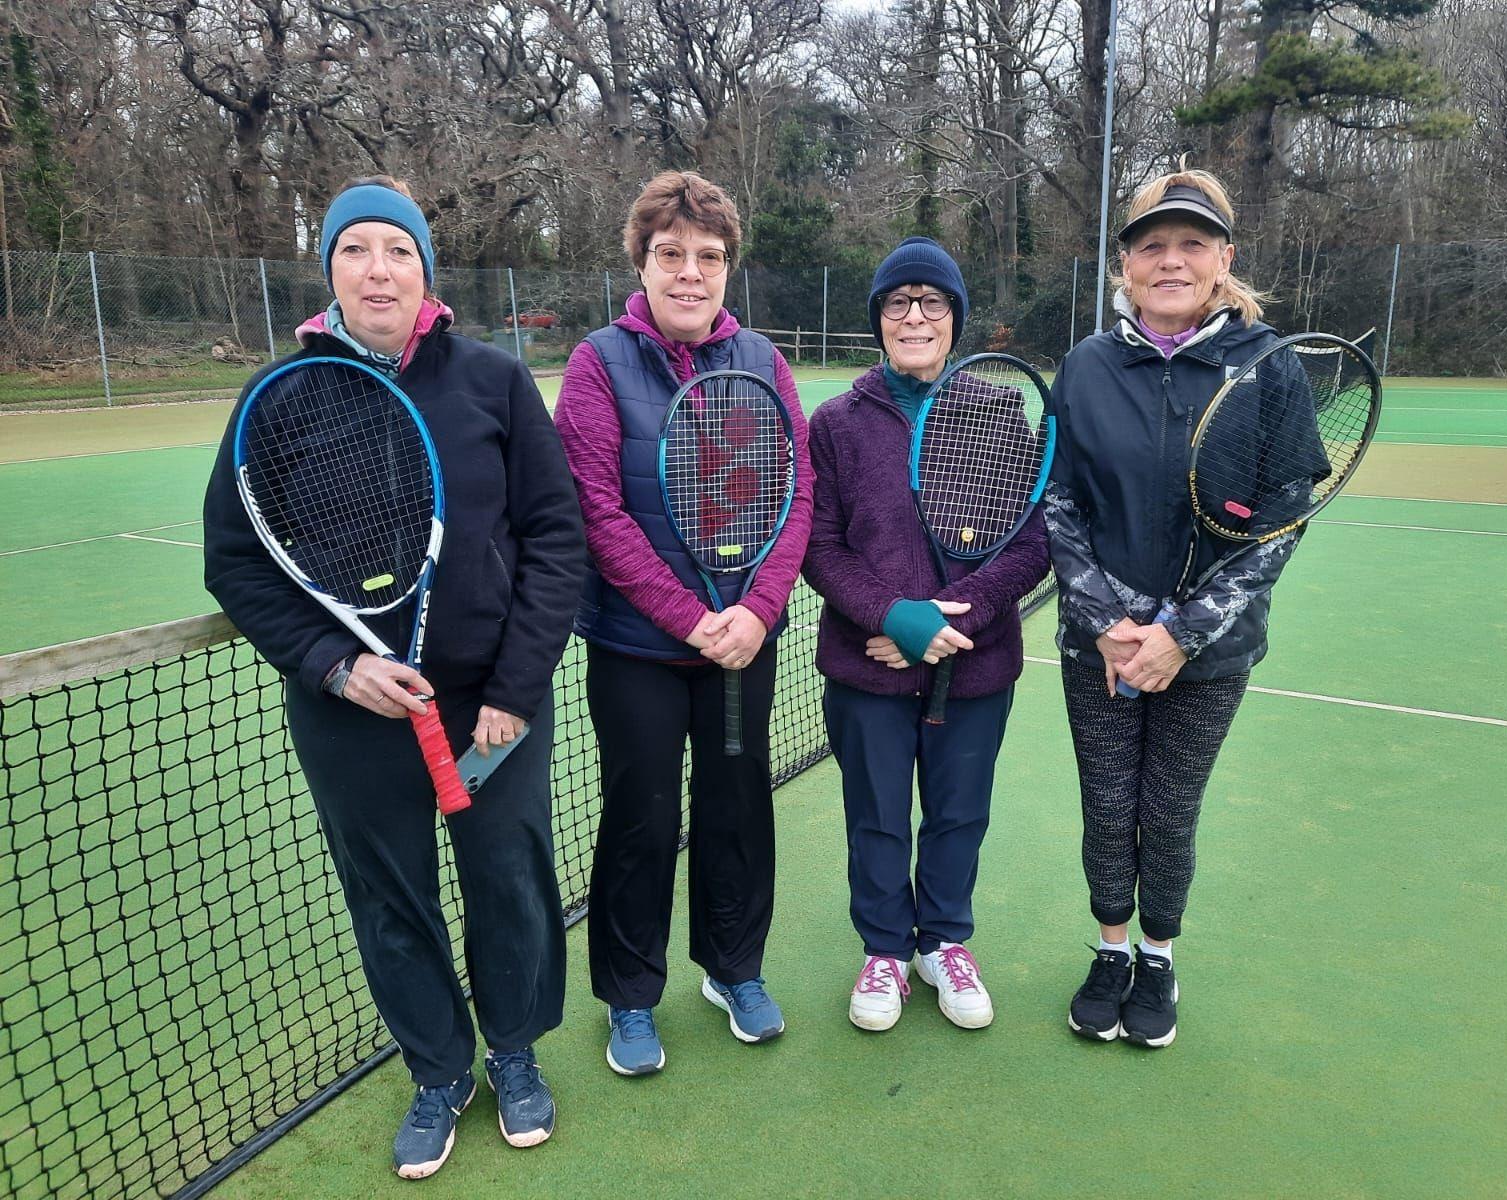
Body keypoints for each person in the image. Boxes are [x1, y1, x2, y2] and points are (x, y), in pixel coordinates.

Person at [203, 177, 586, 1178]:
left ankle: (512, 1050)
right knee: (391, 899)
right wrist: (336, 667)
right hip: (354, 718)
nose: (379, 269)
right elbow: (238, 564)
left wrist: (514, 686)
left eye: (399, 250)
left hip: (493, 707)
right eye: (356, 250)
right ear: (328, 268)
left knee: (509, 882)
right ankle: (437, 1072)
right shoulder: (276, 398)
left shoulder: (493, 382)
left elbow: (554, 535)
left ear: (427, 269)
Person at [553, 171, 813, 1074]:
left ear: (728, 268)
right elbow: (596, 510)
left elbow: (797, 494)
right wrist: (691, 618)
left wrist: (759, 609)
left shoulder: (766, 363)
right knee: (641, 818)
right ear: (643, 261)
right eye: (672, 255)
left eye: (708, 257)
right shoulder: (596, 364)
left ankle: (733, 968)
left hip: (746, 642)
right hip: (637, 652)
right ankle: (630, 996)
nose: (691, 273)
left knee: (740, 807)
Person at [1045, 169, 1312, 1048]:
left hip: (1211, 656)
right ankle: (1110, 948)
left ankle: (1158, 955)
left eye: (1191, 243)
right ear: (1124, 263)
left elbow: (1281, 524)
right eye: (1151, 244)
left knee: (1169, 811)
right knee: (1107, 807)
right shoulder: (1085, 366)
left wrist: (1180, 636)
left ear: (1223, 258)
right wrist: (1113, 626)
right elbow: (1060, 504)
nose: (1171, 260)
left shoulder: (1269, 368)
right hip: (1101, 651)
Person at [803, 237, 1047, 1032]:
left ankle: (943, 942)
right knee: (874, 815)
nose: (915, 316)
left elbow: (1032, 538)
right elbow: (820, 545)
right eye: (897, 303)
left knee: (958, 814)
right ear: (877, 320)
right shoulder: (836, 423)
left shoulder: (998, 408)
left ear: (955, 319)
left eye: (931, 302)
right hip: (865, 667)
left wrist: (954, 621)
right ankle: (883, 950)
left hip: (976, 668)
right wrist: (894, 619)